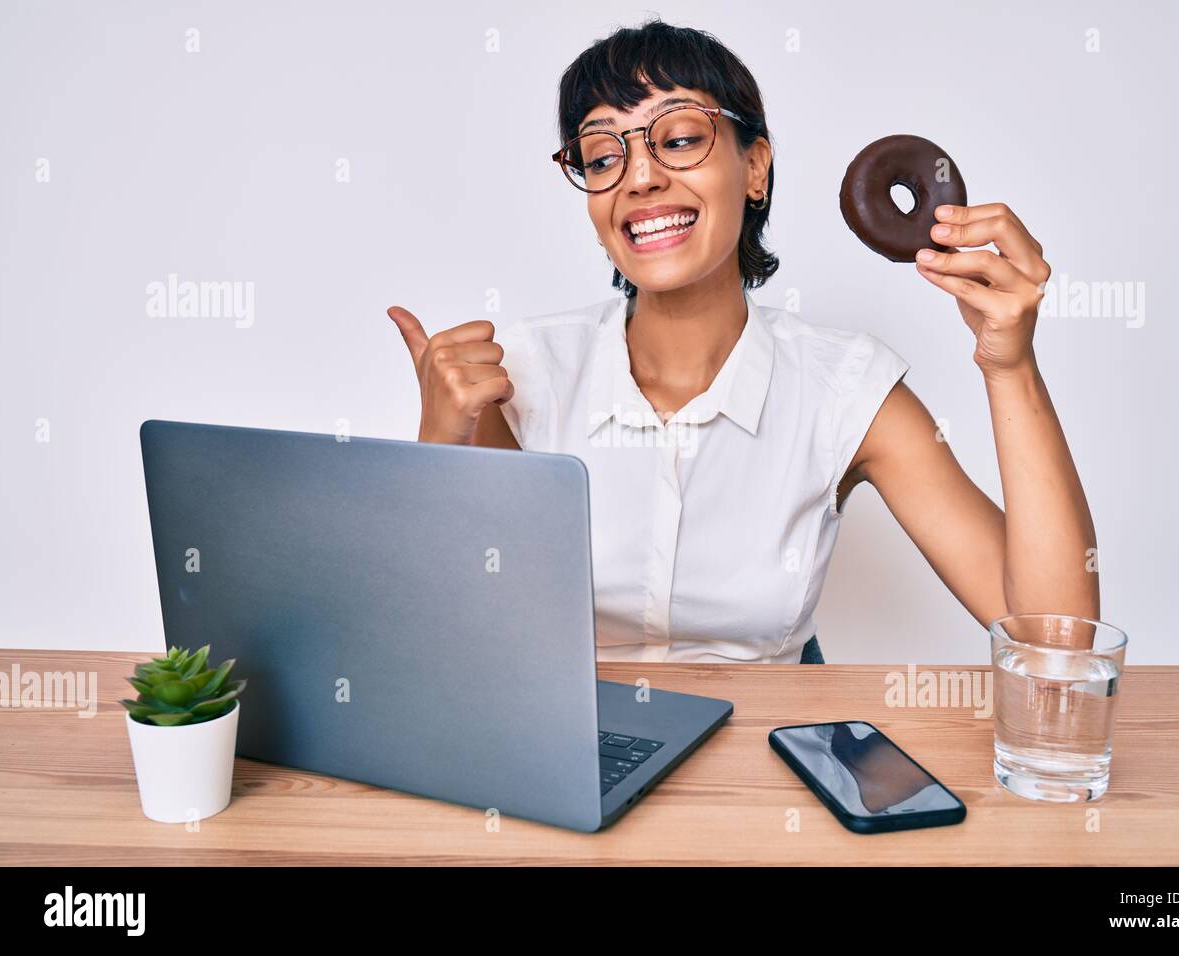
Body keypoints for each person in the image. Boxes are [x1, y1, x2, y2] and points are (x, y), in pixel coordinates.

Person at [386, 19, 1099, 665]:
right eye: (601, 155)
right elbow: (435, 654)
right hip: (565, 771)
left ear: (754, 166)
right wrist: (438, 445)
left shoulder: (845, 389)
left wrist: (1010, 367)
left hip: (759, 781)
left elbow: (1055, 639)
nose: (639, 177)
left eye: (681, 139)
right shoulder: (517, 379)